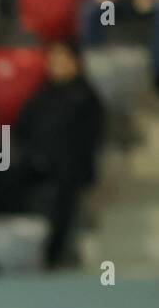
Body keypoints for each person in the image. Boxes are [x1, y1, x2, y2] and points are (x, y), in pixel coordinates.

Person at [9, 40, 105, 266]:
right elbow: (22, 127)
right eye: (54, 61)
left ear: (76, 63)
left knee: (64, 186)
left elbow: (89, 141)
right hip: (35, 160)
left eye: (63, 60)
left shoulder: (87, 98)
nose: (58, 65)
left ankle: (54, 253)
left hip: (70, 166)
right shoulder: (42, 94)